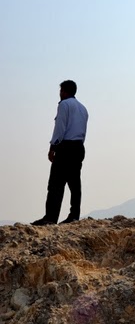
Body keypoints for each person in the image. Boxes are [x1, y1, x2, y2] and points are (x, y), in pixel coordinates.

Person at [32, 80, 89, 225]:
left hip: (66, 147)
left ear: (64, 91)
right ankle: (74, 215)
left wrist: (53, 147)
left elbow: (60, 127)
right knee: (75, 183)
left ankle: (50, 217)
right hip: (78, 147)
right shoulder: (83, 108)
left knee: (56, 184)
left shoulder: (64, 105)